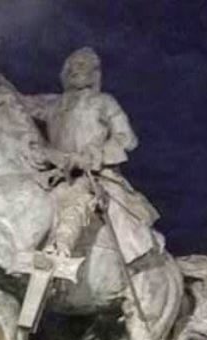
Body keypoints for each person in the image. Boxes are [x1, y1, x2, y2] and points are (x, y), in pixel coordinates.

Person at [20, 47, 161, 262]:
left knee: (78, 192)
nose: (76, 69)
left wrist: (93, 156)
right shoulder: (52, 104)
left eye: (82, 64)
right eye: (72, 65)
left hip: (92, 175)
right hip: (55, 173)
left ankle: (60, 251)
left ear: (94, 73)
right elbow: (17, 102)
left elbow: (127, 138)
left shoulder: (104, 101)